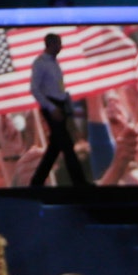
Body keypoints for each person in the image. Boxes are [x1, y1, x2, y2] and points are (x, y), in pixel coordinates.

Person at [29, 33, 89, 187]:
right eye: (58, 44)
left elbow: (59, 86)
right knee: (67, 146)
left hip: (61, 104)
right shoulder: (40, 63)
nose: (61, 47)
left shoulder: (55, 63)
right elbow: (35, 89)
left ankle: (36, 182)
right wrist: (51, 107)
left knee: (54, 149)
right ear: (50, 44)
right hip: (51, 106)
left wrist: (66, 102)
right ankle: (79, 183)